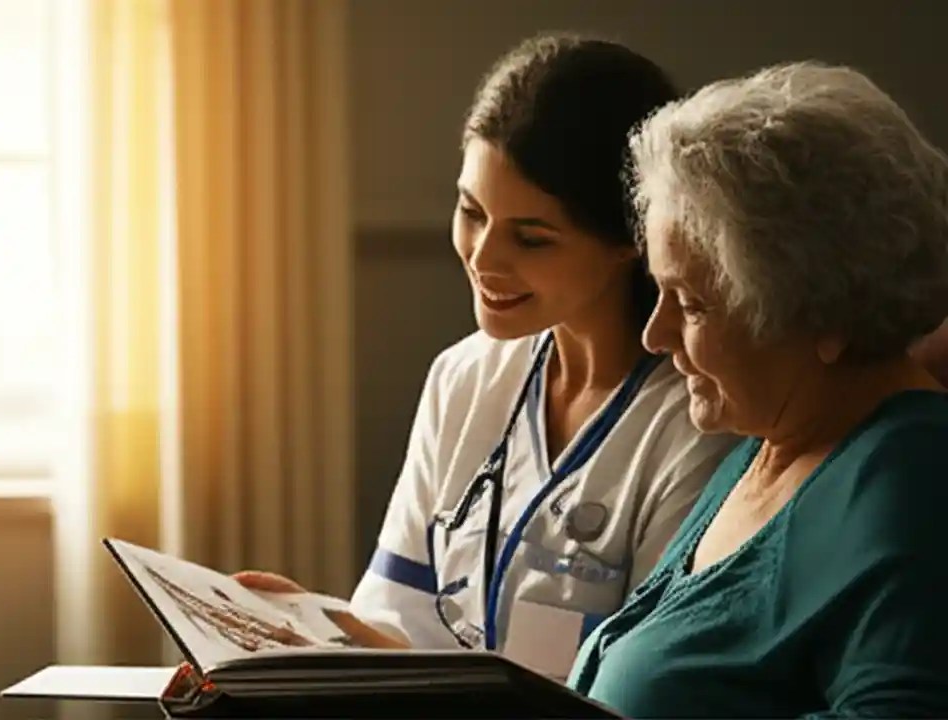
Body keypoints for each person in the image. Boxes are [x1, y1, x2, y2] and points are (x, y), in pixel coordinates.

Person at [237, 33, 737, 679]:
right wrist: (311, 634)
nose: (483, 258)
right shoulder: (466, 376)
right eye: (471, 212)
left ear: (632, 240)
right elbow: (403, 624)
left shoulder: (699, 421)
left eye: (531, 238)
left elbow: (641, 689)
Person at [568, 61, 948, 716]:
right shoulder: (772, 443)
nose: (655, 335)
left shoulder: (910, 484)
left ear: (824, 311)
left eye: (691, 304)